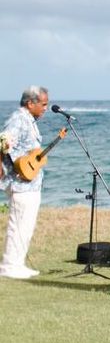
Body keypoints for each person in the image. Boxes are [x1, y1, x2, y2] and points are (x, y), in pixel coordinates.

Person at [0, 86, 51, 279]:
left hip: (30, 183)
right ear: (31, 103)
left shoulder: (29, 120)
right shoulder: (19, 119)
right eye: (43, 104)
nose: (46, 108)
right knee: (18, 225)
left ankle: (18, 263)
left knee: (26, 225)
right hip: (20, 183)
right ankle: (9, 265)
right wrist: (10, 165)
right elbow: (4, 141)